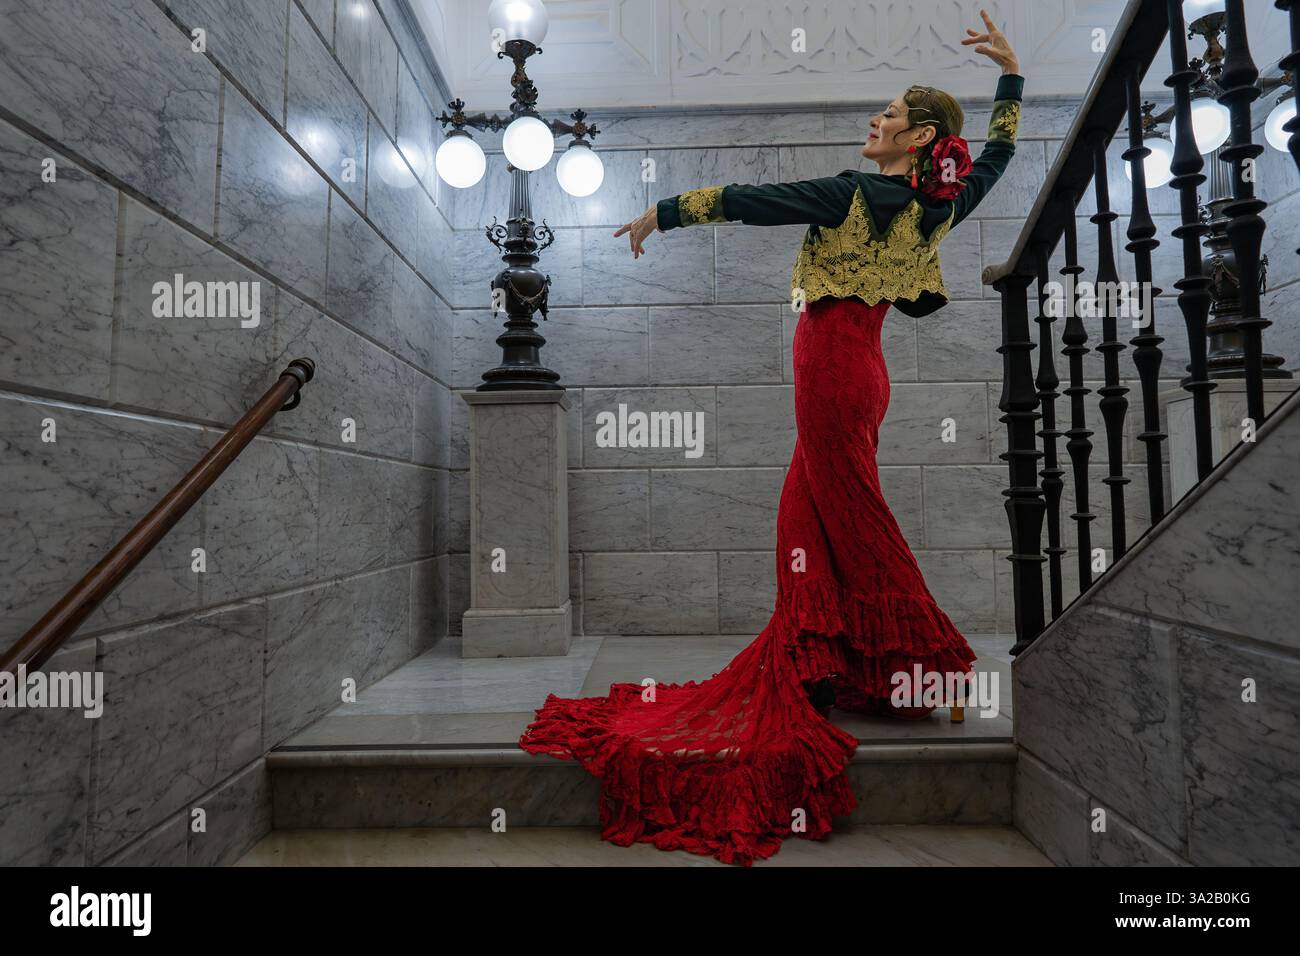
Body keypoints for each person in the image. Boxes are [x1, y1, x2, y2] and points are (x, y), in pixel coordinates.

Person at [518, 10, 1024, 866]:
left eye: (889, 115)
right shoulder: (939, 203)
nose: (876, 122)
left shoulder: (859, 191)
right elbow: (1001, 157)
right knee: (805, 519)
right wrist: (1010, 80)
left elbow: (754, 202)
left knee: (851, 517)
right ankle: (828, 665)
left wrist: (663, 212)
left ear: (921, 136)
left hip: (832, 368)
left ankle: (929, 669)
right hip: (861, 374)